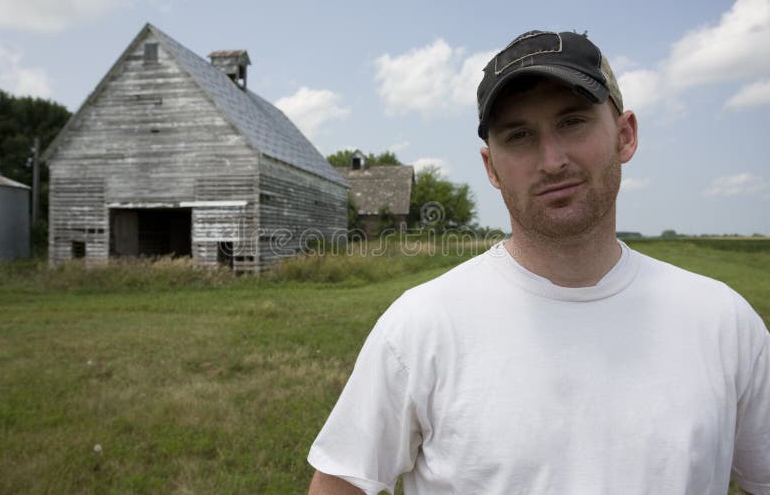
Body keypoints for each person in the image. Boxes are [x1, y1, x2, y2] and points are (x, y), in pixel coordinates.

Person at [307, 30, 770, 494]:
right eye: (519, 135)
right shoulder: (421, 326)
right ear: (491, 167)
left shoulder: (723, 322)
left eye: (573, 122)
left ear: (625, 136)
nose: (551, 161)